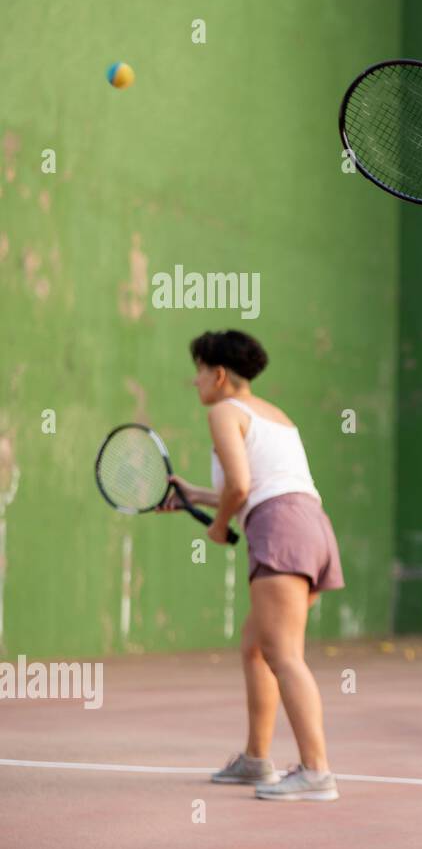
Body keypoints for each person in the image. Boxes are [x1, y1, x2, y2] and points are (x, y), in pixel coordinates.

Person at [167, 330, 344, 801]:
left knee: (284, 655)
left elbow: (241, 489)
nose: (196, 381)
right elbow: (260, 483)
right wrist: (194, 495)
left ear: (218, 374)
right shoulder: (274, 415)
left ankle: (316, 772)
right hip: (311, 526)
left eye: (199, 371)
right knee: (257, 647)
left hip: (281, 528)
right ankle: (256, 760)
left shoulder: (224, 412)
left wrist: (218, 524)